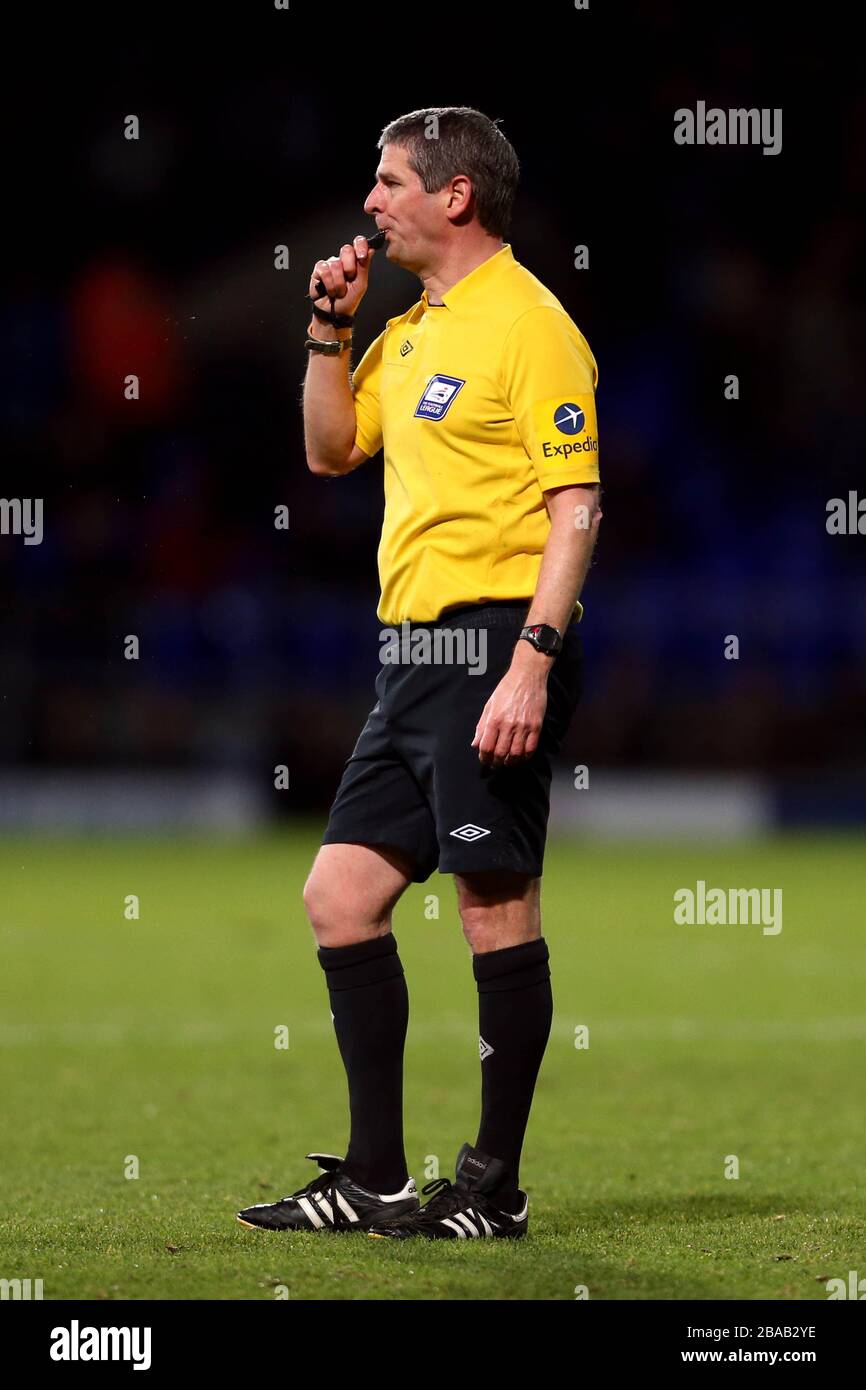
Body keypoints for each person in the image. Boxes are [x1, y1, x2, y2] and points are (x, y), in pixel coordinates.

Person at [237, 106, 602, 1241]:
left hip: (494, 644)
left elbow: (574, 506)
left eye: (388, 181)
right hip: (408, 655)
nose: (370, 201)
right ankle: (375, 1176)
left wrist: (531, 662)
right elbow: (328, 448)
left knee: (492, 912)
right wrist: (327, 334)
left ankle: (492, 1187)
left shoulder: (531, 324)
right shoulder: (413, 327)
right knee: (340, 899)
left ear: (454, 196)